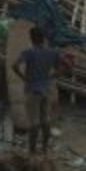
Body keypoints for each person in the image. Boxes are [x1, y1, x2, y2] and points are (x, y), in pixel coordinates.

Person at [14, 28, 64, 156]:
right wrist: (51, 77)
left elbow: (15, 65)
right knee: (45, 120)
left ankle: (32, 151)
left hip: (32, 89)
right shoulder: (52, 52)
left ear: (32, 38)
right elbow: (63, 68)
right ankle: (44, 149)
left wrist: (24, 77)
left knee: (34, 122)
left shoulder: (28, 52)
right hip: (46, 90)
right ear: (43, 38)